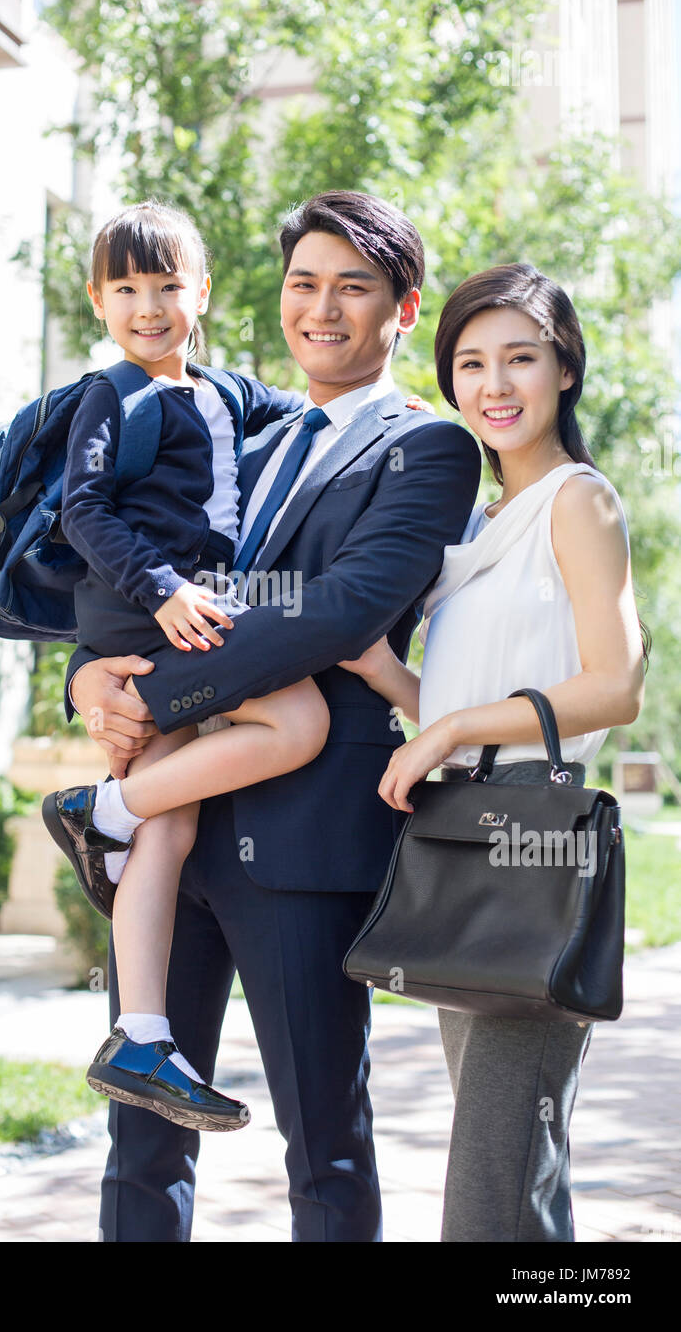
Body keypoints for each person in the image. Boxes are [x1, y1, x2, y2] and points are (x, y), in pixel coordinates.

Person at [64, 189, 483, 1242]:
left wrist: (149, 697)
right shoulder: (234, 441)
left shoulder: (425, 451)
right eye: (305, 283)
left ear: (402, 306)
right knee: (144, 1139)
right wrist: (88, 680)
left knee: (323, 1148)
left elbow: (344, 610)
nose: (323, 308)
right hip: (171, 835)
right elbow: (142, 576)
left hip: (299, 841)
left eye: (354, 287)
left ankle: (100, 807)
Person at [339, 263, 646, 1242]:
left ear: (563, 369)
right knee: (508, 1176)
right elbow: (465, 700)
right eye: (470, 363)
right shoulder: (474, 526)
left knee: (491, 1190)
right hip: (460, 836)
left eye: (519, 356)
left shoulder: (576, 500)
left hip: (531, 836)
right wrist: (391, 679)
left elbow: (614, 684)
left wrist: (454, 727)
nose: (494, 384)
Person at [43, 200, 333, 1131]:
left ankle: (140, 1034)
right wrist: (164, 588)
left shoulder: (227, 391)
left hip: (189, 621)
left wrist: (398, 406)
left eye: (168, 285)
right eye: (125, 287)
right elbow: (81, 510)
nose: (149, 305)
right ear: (98, 300)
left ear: (201, 291)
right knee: (298, 721)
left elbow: (304, 412)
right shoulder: (109, 395)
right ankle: (99, 811)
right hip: (157, 619)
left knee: (164, 822)